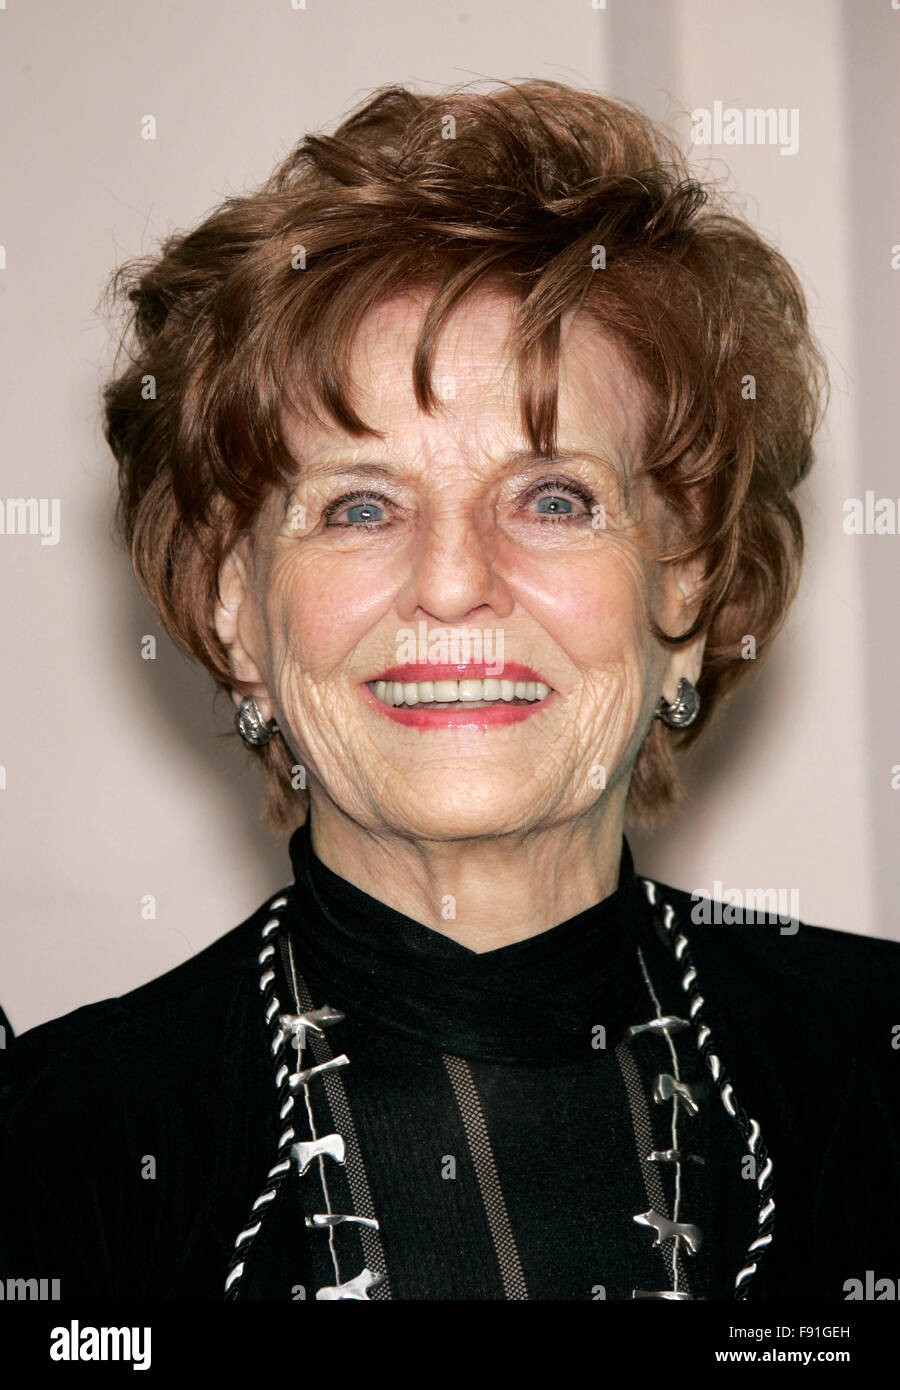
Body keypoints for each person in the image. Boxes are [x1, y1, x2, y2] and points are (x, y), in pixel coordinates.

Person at [1, 80, 898, 1302]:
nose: (454, 582)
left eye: (554, 499)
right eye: (360, 507)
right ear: (232, 604)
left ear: (685, 589)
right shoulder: (51, 1158)